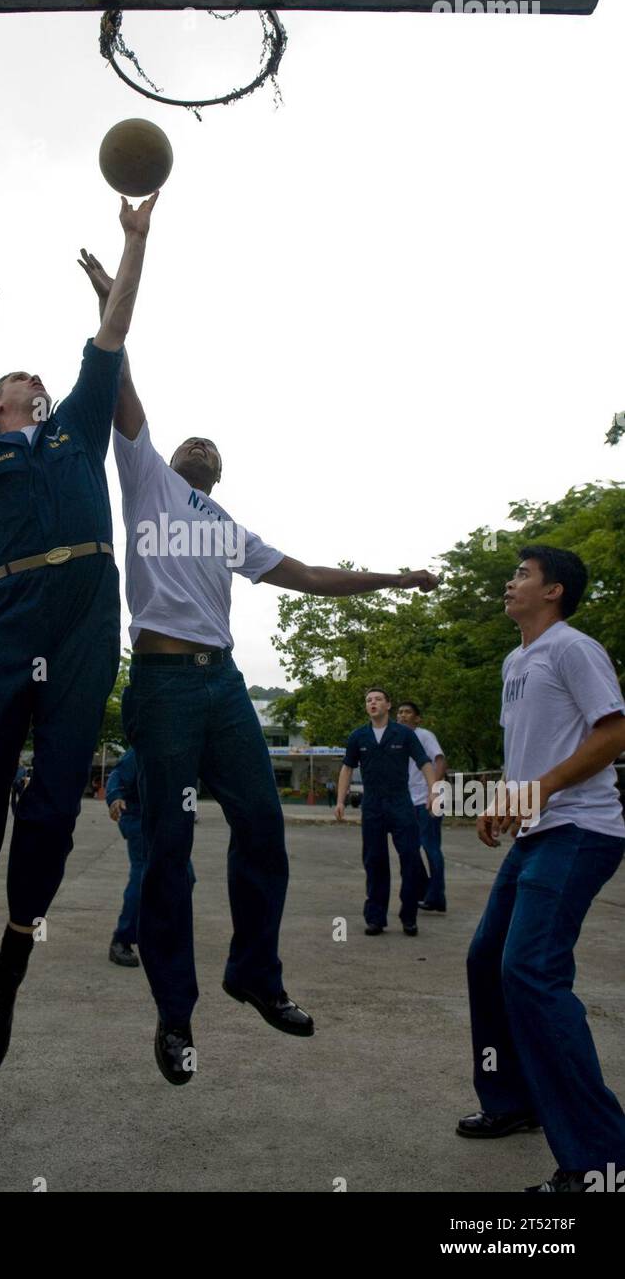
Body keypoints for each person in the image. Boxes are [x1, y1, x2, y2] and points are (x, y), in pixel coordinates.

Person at [80, 240, 439, 1085]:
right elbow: (122, 388)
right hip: (164, 686)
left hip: (225, 685)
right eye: (188, 440)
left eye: (210, 443)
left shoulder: (227, 527)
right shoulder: (146, 481)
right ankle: (175, 1013)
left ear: (219, 470)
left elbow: (311, 576)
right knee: (169, 846)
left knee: (264, 830)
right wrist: (111, 301)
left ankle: (255, 974)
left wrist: (397, 574)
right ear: (169, 461)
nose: (196, 444)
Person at [0, 193, 157, 1085]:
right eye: (20, 391)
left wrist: (134, 247)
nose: (37, 391)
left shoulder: (73, 434)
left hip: (86, 617)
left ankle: (8, 963)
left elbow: (112, 340)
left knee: (53, 803)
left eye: (37, 387)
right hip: (7, 618)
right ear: (0, 406)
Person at [457, 546, 625, 1194]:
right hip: (538, 831)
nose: (509, 582)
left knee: (529, 971)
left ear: (552, 590)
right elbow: (532, 752)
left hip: (581, 830)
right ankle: (512, 1101)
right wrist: (508, 799)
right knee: (485, 960)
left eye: (522, 574)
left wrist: (541, 790)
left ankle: (601, 1161)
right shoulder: (515, 661)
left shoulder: (570, 649)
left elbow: (612, 733)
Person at [336, 689, 437, 936]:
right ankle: (376, 918)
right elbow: (347, 769)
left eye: (378, 699)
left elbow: (424, 762)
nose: (373, 703)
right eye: (369, 700)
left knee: (410, 859)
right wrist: (340, 800)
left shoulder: (403, 734)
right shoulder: (358, 736)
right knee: (374, 861)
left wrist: (434, 792)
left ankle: (409, 917)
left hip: (401, 803)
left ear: (388, 705)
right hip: (372, 806)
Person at [106, 746, 195, 968]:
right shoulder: (143, 747)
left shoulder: (185, 751)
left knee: (185, 876)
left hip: (168, 822)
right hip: (139, 819)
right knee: (144, 876)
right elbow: (117, 776)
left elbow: (189, 788)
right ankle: (122, 939)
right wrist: (115, 797)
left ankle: (161, 932)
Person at [396, 701, 447, 912]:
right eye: (399, 712)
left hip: (428, 799)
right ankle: (426, 891)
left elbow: (440, 760)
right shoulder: (396, 739)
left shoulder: (425, 736)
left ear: (418, 718)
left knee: (430, 846)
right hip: (407, 802)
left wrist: (434, 792)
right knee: (409, 849)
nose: (403, 715)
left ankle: (436, 897)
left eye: (408, 712)